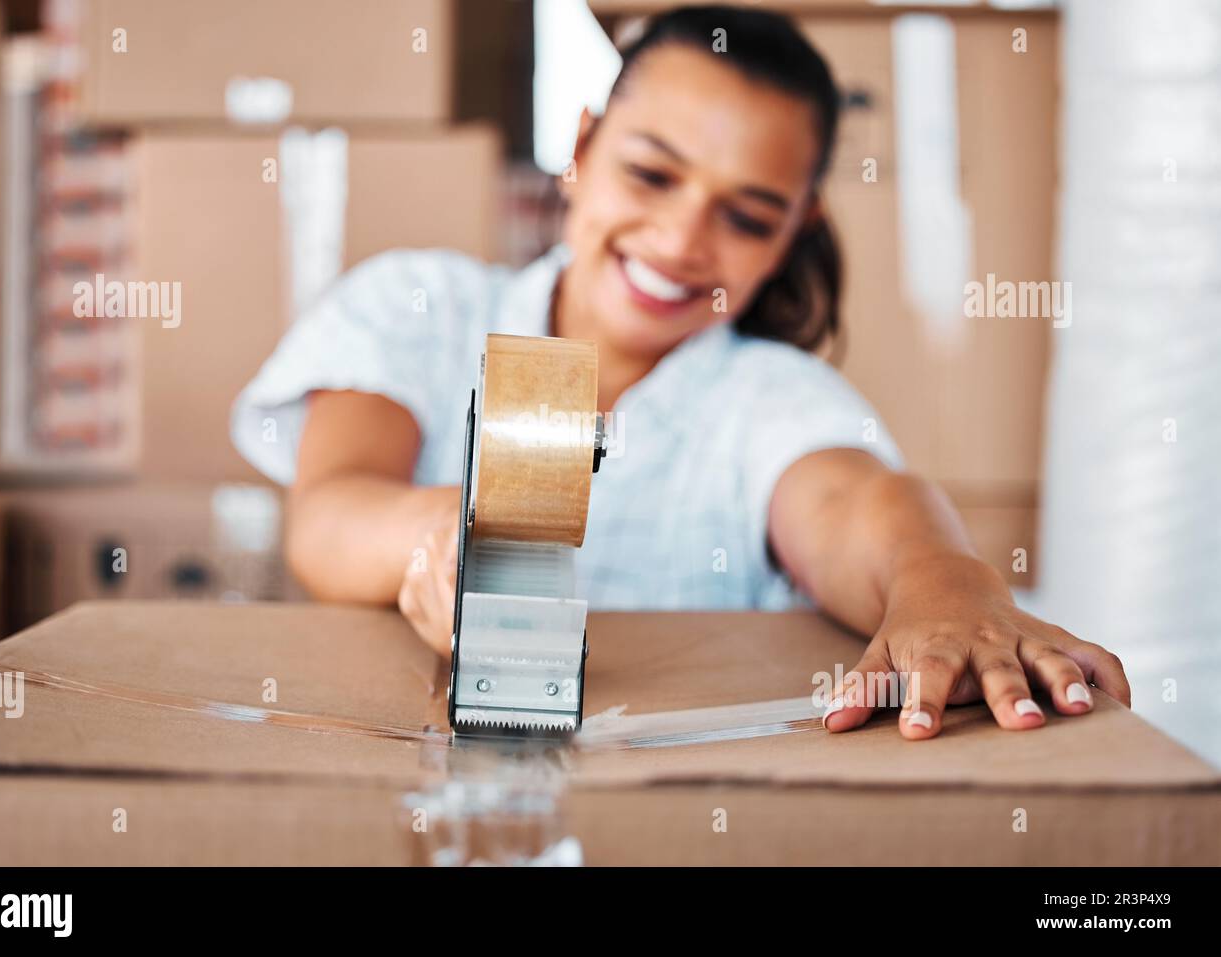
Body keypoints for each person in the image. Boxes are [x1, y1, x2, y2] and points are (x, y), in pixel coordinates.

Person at [231, 5, 1130, 739]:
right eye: (652, 175)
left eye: (746, 217)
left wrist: (946, 583)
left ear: (795, 233)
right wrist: (430, 531)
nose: (681, 241)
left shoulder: (768, 398)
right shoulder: (416, 306)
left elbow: (859, 504)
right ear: (582, 147)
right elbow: (329, 509)